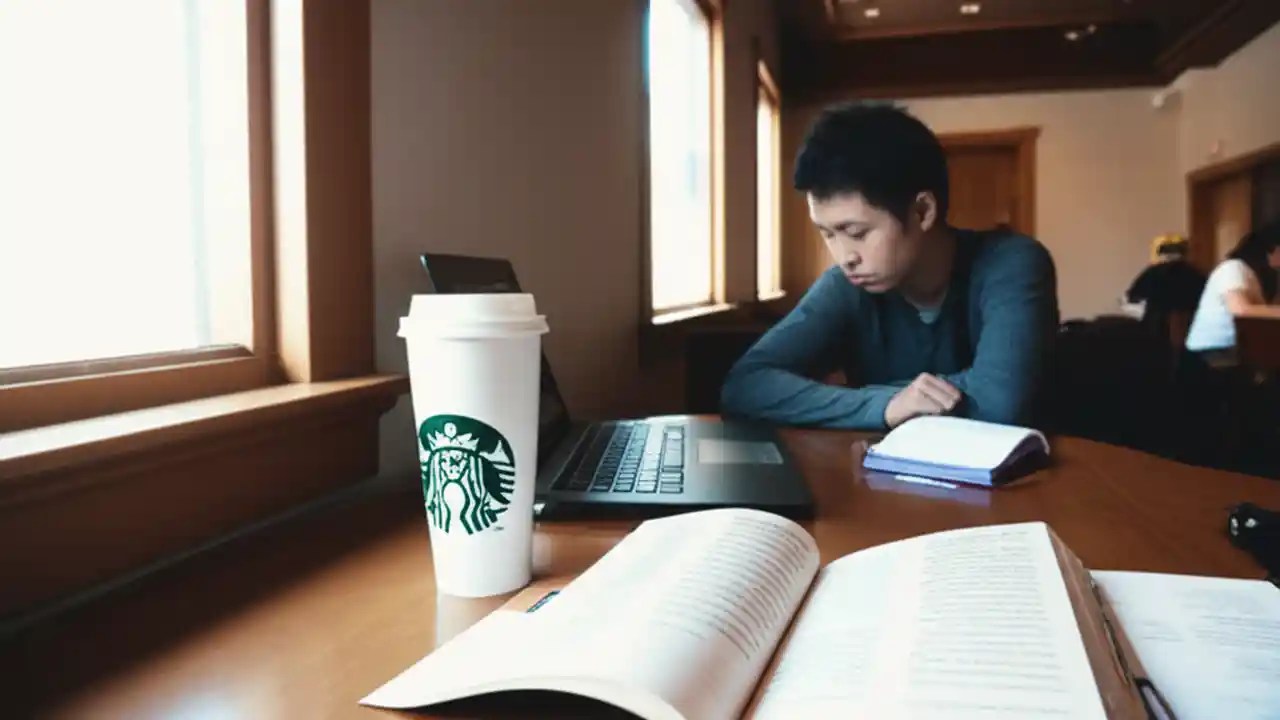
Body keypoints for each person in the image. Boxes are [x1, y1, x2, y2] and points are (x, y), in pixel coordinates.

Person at [720, 104, 1058, 430]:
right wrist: (887, 405)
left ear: (923, 211)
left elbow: (1001, 403)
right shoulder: (846, 285)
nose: (844, 256)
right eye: (827, 234)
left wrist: (854, 402)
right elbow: (745, 386)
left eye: (857, 233)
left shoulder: (1011, 264)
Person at [1184, 221, 1280, 365]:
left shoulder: (1253, 276)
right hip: (1213, 352)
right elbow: (1241, 310)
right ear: (1272, 249)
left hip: (1229, 350)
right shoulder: (1233, 268)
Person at [1125, 234, 1206, 316]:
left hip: (1157, 319)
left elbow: (1134, 296)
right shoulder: (1195, 273)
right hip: (1190, 319)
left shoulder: (1153, 272)